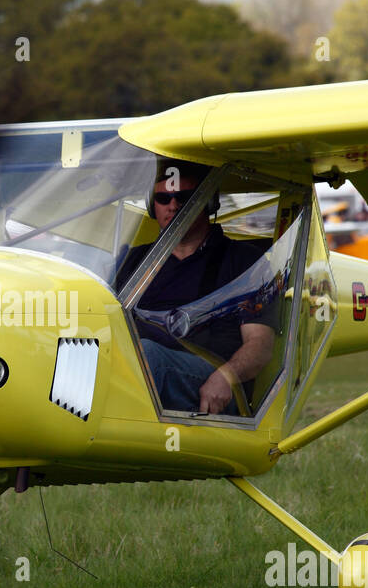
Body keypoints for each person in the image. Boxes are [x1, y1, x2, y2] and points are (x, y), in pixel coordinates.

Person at [118, 162, 276, 415]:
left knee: (147, 356)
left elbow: (260, 344)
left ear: (209, 203)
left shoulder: (244, 261)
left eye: (185, 197)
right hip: (138, 369)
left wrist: (226, 377)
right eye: (163, 198)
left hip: (213, 379)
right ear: (152, 206)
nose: (173, 205)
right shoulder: (133, 262)